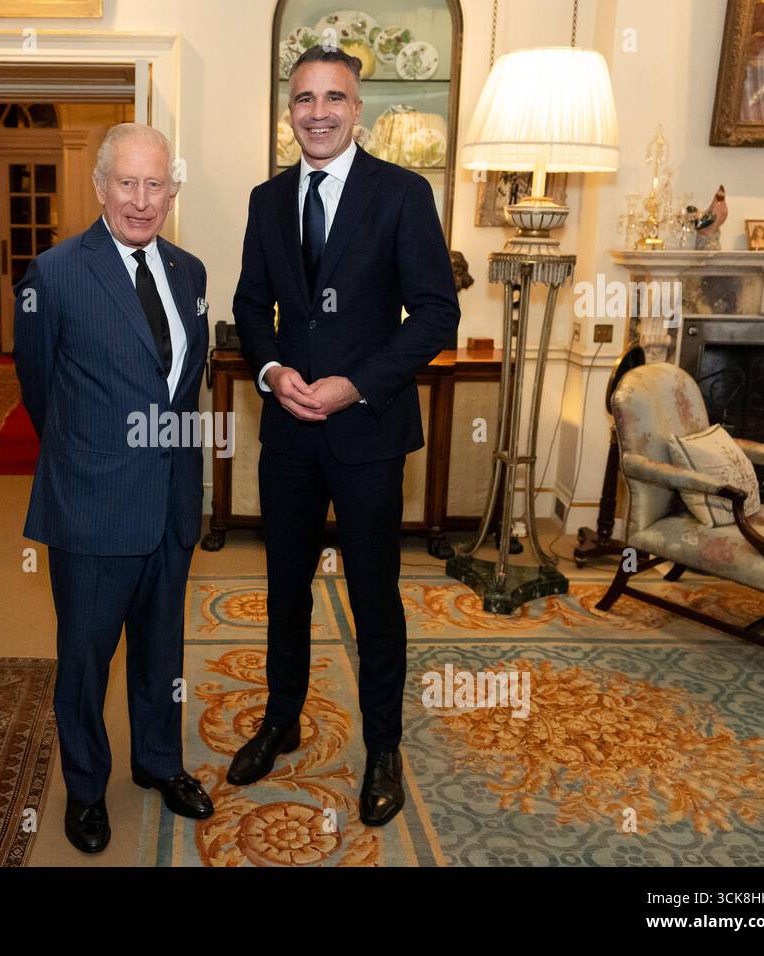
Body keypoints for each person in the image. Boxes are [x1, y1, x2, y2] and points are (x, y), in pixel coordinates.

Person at [229, 46, 460, 826]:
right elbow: (251, 306)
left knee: (373, 597)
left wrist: (355, 382)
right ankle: (282, 719)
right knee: (284, 589)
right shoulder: (266, 200)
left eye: (334, 98)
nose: (318, 112)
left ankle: (384, 747)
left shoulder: (402, 194)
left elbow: (436, 313)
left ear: (357, 110)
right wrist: (270, 374)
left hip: (367, 434)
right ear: (287, 110)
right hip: (290, 434)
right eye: (303, 99)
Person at [14, 123, 213, 853]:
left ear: (172, 190)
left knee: (162, 654)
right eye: (126, 183)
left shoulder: (190, 272)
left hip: (170, 503)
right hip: (93, 506)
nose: (140, 199)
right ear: (99, 186)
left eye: (155, 184)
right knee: (87, 660)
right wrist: (86, 459)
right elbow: (38, 391)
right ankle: (88, 789)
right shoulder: (57, 273)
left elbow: (182, 392)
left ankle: (159, 762)